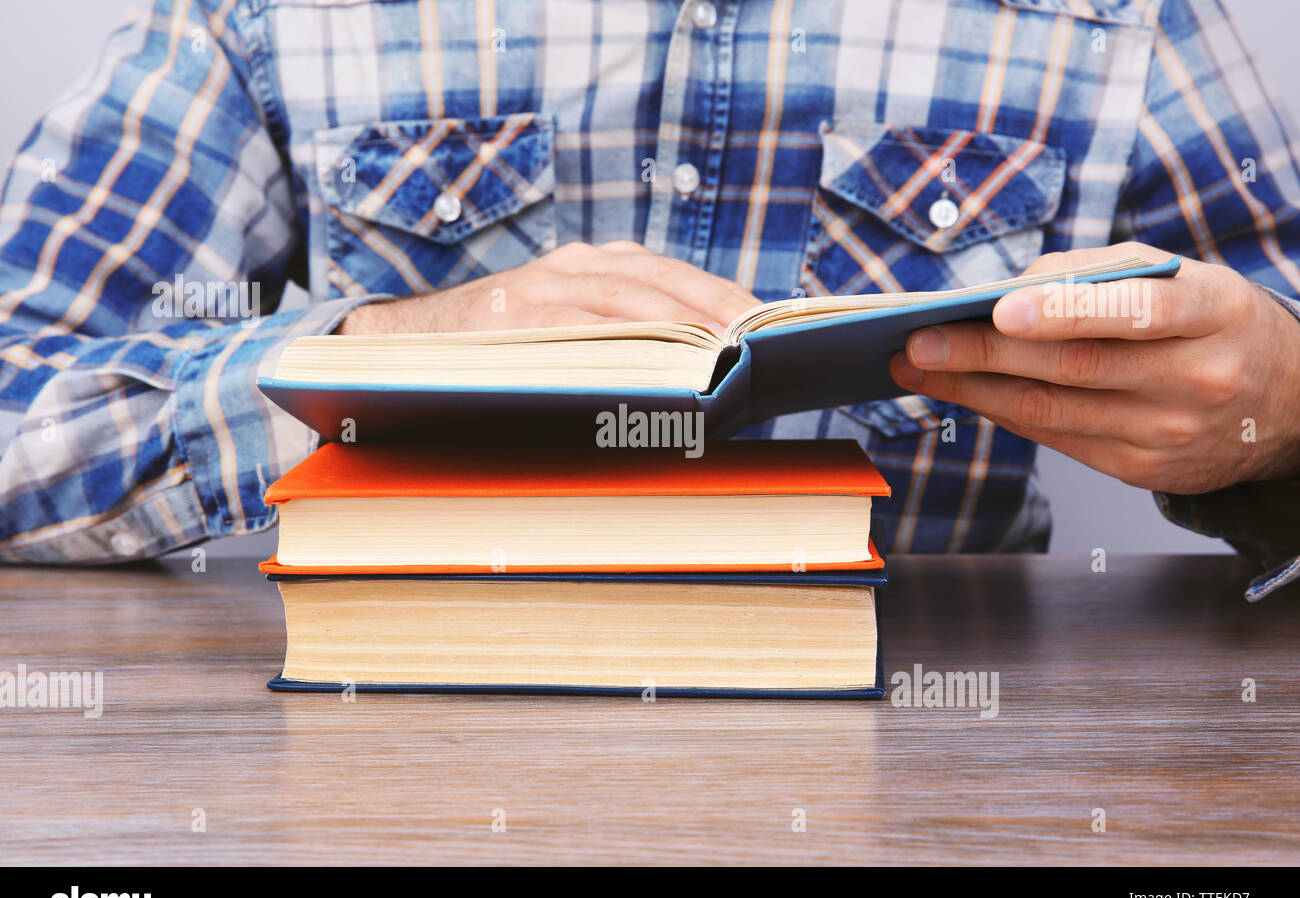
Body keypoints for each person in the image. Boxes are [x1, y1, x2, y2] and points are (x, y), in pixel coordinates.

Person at [1, 0, 1297, 599]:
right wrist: (365, 361)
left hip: (938, 767)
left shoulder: (1128, 18)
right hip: (385, 747)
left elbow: (1274, 348)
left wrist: (1275, 421)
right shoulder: (259, 14)